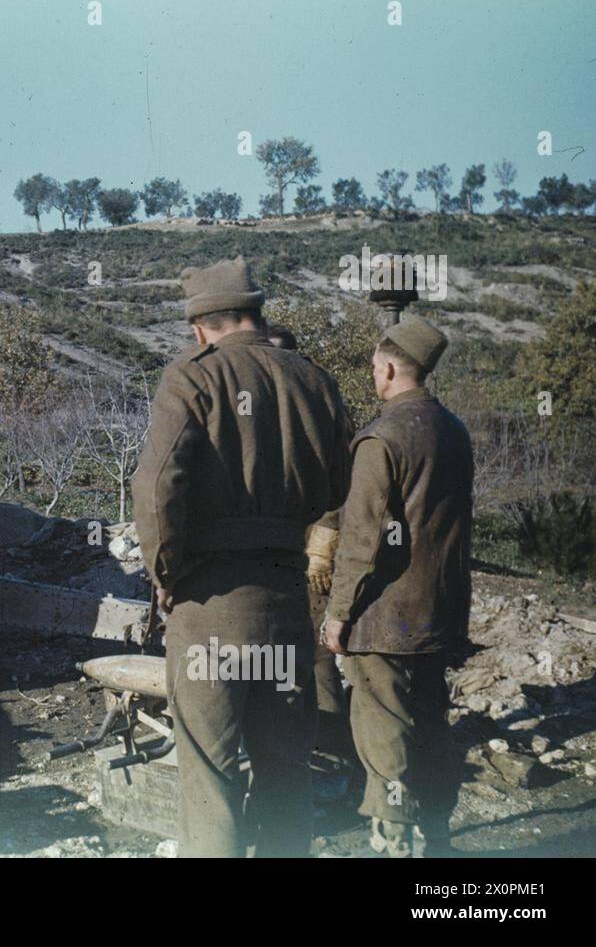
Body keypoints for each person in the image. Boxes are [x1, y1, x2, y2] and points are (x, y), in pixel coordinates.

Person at [131, 257, 352, 857]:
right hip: (286, 602)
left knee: (211, 777)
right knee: (285, 774)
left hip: (209, 606)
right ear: (255, 312)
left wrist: (165, 574)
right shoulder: (314, 381)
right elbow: (339, 492)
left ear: (201, 325)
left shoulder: (192, 378)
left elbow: (156, 493)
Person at [322, 315, 473, 858]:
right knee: (431, 723)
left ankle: (396, 845)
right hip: (440, 611)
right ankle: (438, 840)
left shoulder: (381, 437)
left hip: (385, 616)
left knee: (384, 735)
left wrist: (338, 612)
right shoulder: (452, 429)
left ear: (387, 368)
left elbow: (361, 541)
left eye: (374, 369)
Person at [267, 324, 355, 773]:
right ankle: (286, 753)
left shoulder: (323, 405)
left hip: (308, 557)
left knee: (317, 656)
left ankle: (334, 756)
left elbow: (340, 485)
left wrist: (321, 549)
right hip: (266, 552)